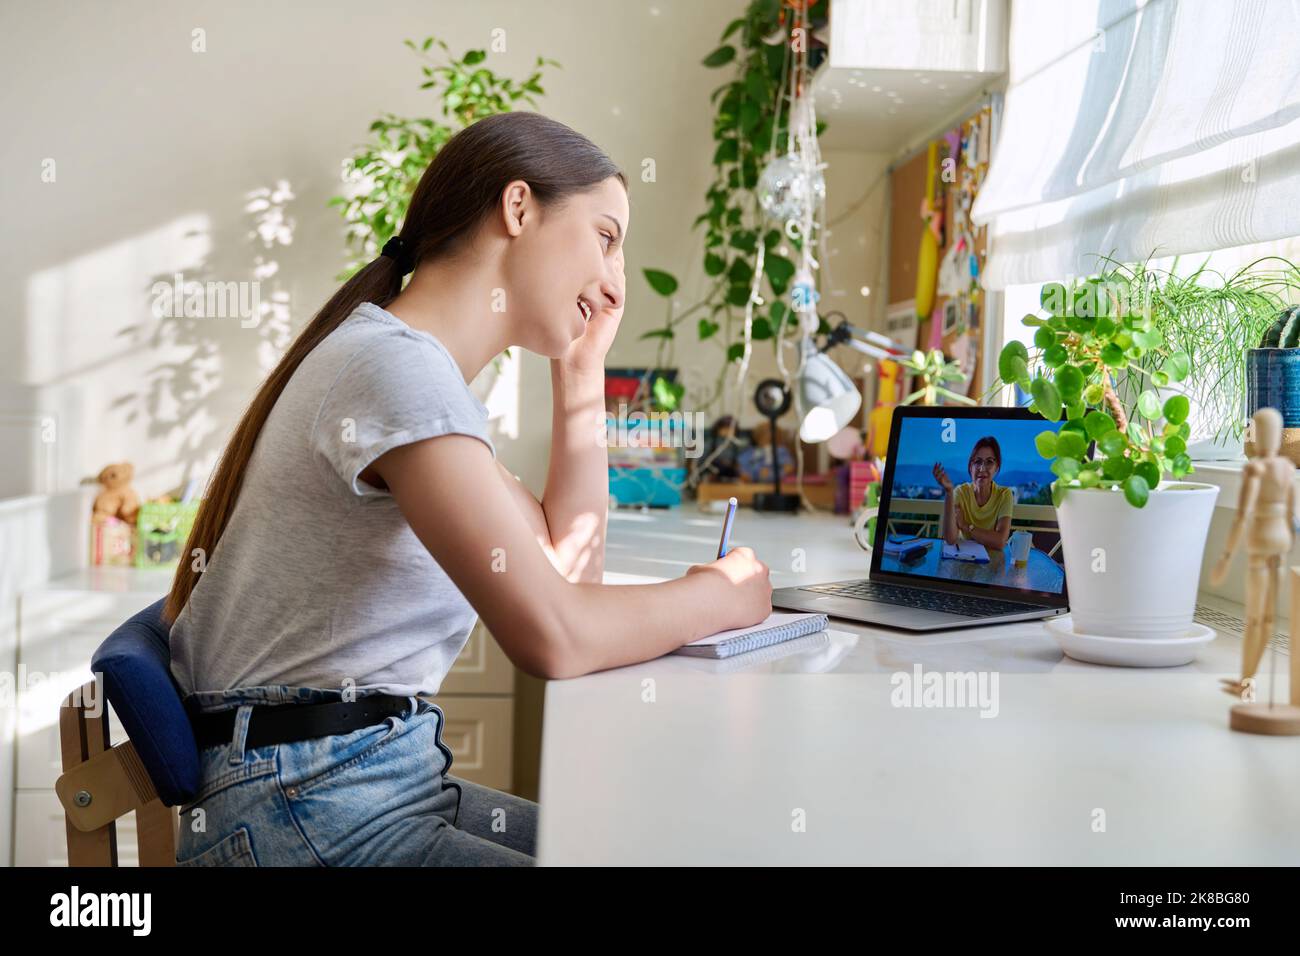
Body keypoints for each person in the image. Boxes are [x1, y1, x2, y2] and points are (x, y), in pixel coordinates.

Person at [164, 112, 772, 867]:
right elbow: (557, 636)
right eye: (607, 238)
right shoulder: (395, 372)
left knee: (636, 847)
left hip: (353, 787)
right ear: (518, 209)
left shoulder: (409, 373)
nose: (615, 281)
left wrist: (580, 373)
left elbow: (567, 574)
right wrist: (727, 593)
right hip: (308, 806)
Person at [933, 435, 1013, 551]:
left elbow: (1000, 541)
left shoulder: (1004, 494)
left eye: (989, 462)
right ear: (970, 467)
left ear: (996, 468)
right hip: (962, 560)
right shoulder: (960, 492)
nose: (982, 468)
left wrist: (966, 526)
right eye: (977, 462)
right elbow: (950, 539)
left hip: (993, 563)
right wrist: (949, 492)